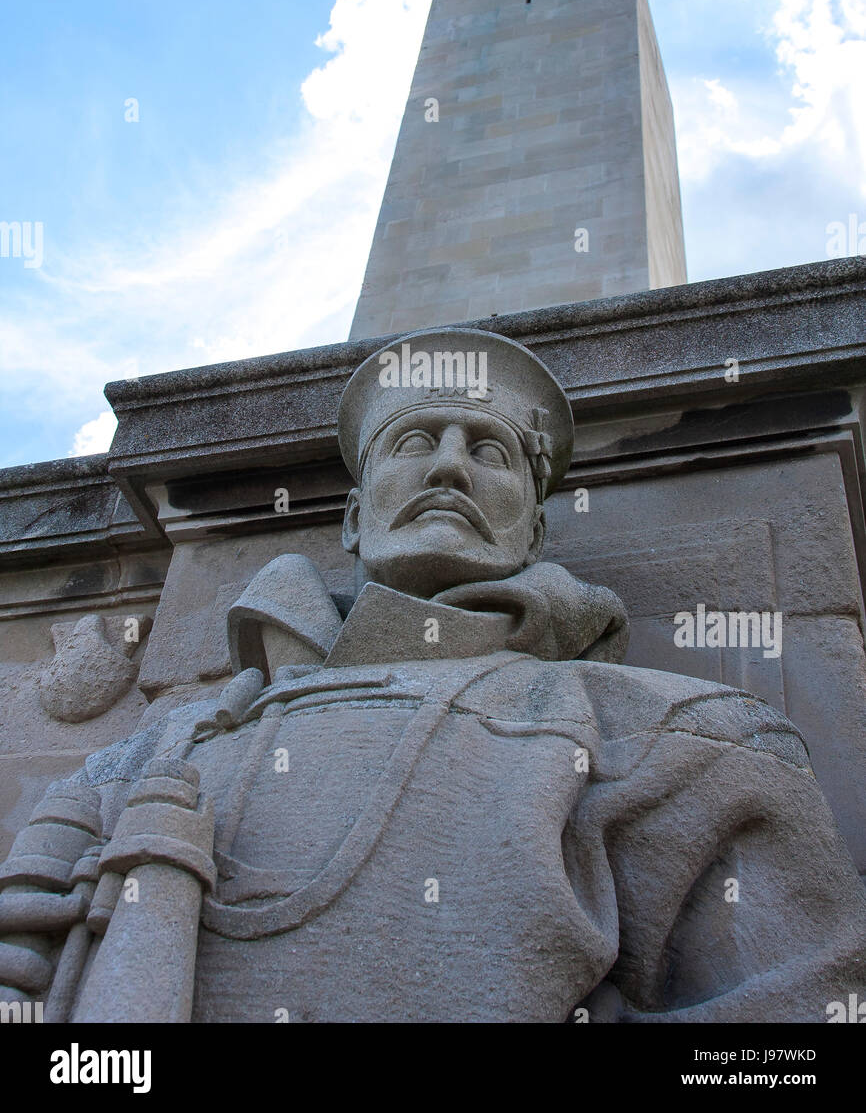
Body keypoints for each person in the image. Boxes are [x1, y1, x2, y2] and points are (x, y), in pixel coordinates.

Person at [2, 328, 864, 1023]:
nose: (448, 466)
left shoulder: (676, 740)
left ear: (534, 536)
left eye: (489, 452)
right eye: (415, 441)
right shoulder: (141, 759)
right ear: (350, 517)